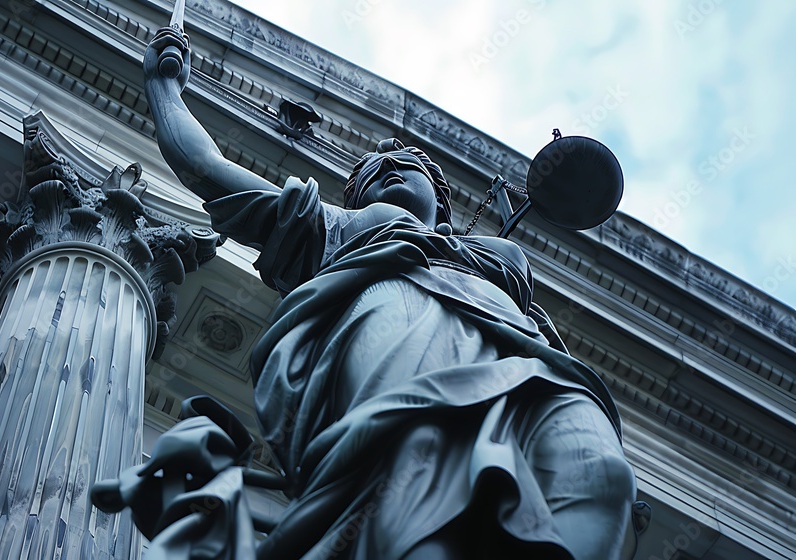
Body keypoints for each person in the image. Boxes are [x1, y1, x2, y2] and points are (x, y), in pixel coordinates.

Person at [139, 27, 635, 559]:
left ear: (441, 200)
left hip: (526, 357)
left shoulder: (501, 257)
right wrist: (165, 89)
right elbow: (213, 174)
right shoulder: (353, 228)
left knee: (601, 478)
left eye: (408, 167)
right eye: (373, 174)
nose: (391, 167)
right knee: (413, 499)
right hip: (394, 328)